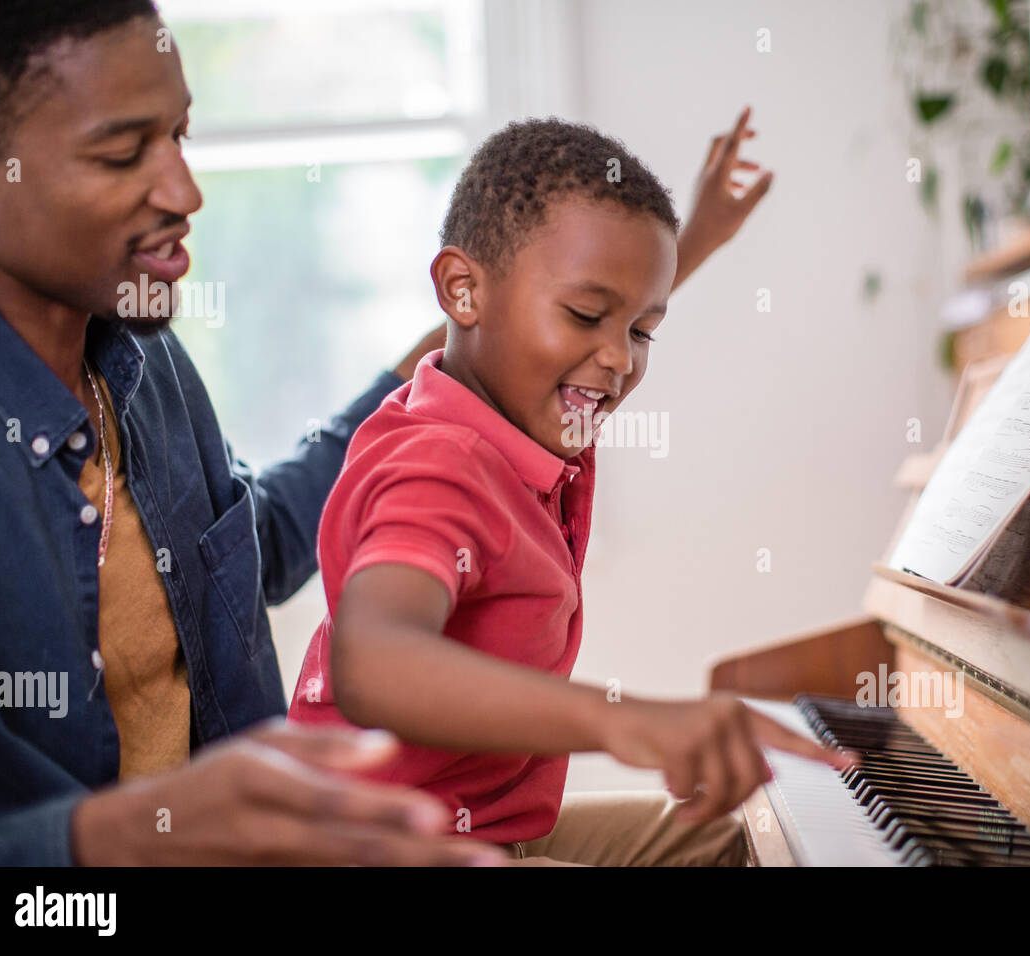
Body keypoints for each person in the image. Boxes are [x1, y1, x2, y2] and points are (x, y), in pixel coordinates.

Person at [0, 0, 771, 865]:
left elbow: (263, 540)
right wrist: (144, 833)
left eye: (181, 137)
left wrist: (668, 260)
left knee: (737, 845)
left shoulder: (142, 364)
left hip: (316, 843)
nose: (186, 192)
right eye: (124, 153)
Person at [288, 119, 853, 866]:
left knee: (749, 842)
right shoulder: (438, 463)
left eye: (644, 331)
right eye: (589, 318)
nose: (618, 359)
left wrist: (701, 238)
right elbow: (374, 661)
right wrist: (627, 721)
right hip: (374, 851)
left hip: (480, 829)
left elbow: (577, 295)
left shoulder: (522, 424)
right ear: (461, 290)